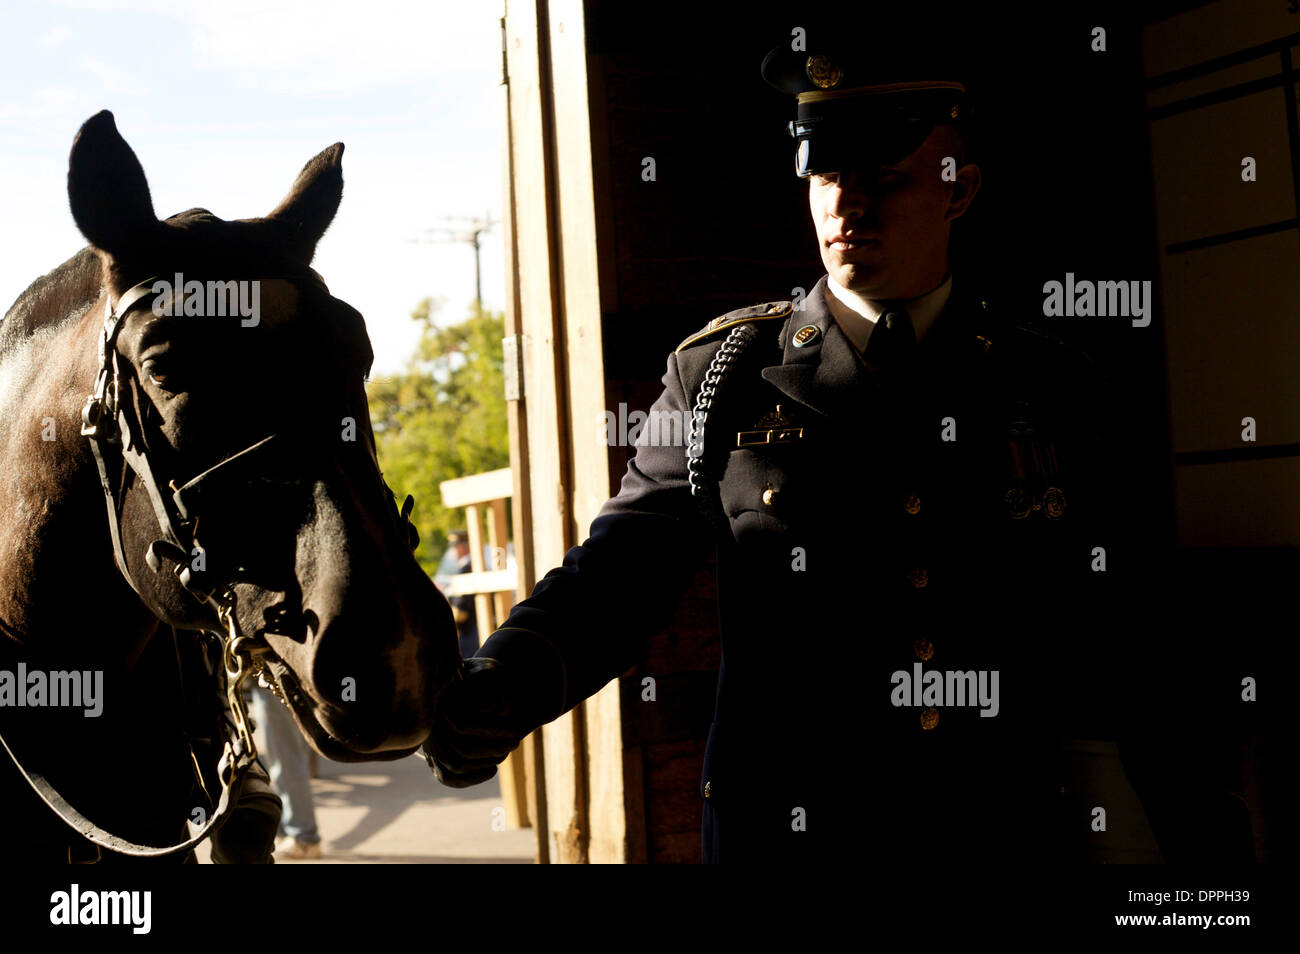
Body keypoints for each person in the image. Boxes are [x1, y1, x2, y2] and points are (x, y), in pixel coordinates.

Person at [422, 35, 1114, 863]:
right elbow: (622, 571)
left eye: (886, 177)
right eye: (827, 177)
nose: (848, 205)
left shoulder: (1049, 381)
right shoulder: (723, 376)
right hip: (790, 827)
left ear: (957, 190)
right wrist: (505, 679)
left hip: (997, 823)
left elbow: (1127, 618)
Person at [250, 682, 323, 860]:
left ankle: (303, 837)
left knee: (285, 762)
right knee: (290, 758)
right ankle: (294, 832)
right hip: (281, 682)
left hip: (271, 681)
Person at [446, 530, 480, 659]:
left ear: (461, 547)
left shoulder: (465, 569)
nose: (453, 551)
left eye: (454, 547)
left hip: (469, 633)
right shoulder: (475, 566)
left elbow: (460, 612)